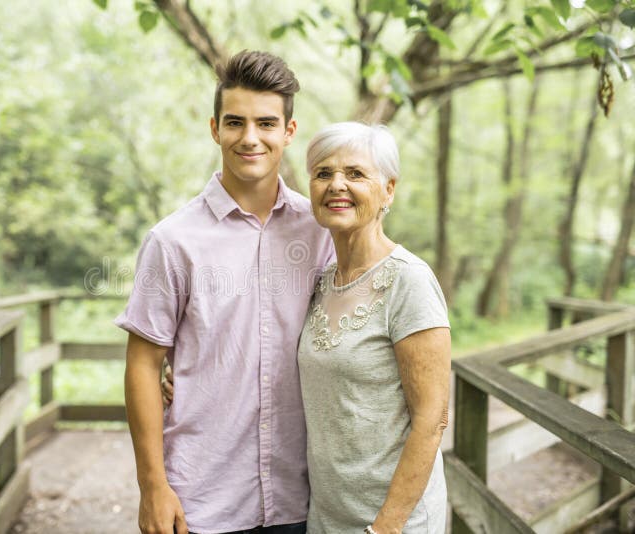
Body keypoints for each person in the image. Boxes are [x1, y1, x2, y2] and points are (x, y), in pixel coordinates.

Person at [115, 50, 333, 534]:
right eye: (235, 122)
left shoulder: (321, 233)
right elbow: (143, 365)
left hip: (304, 497)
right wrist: (153, 487)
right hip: (202, 500)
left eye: (266, 123)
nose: (249, 138)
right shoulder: (172, 241)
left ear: (288, 133)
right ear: (215, 128)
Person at [298, 122, 451, 534]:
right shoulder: (320, 282)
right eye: (323, 173)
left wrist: (386, 526)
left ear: (389, 190)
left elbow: (432, 419)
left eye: (356, 173)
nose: (336, 185)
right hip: (326, 517)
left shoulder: (410, 282)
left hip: (392, 522)